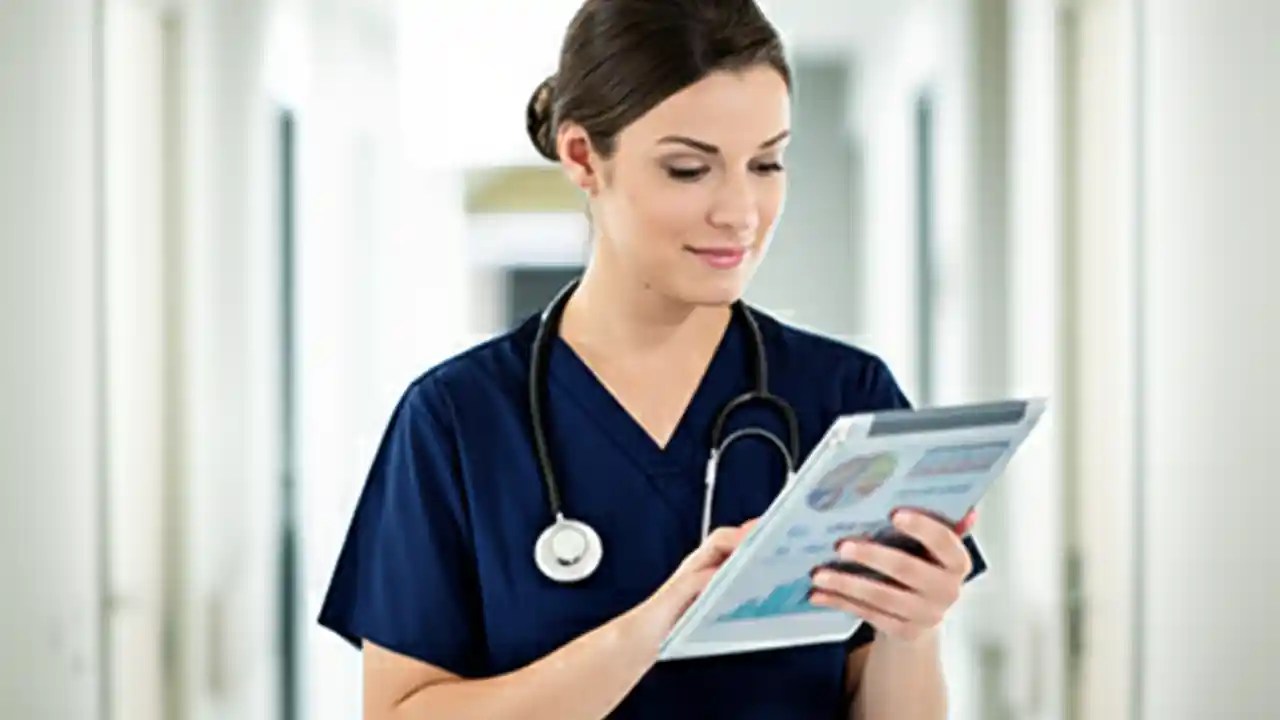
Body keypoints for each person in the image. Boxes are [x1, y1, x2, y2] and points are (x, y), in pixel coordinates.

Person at [318, 1, 986, 717]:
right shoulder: (458, 419)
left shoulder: (846, 399)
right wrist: (650, 630)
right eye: (689, 169)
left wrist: (912, 632)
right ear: (582, 157)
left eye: (766, 162)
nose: (741, 211)